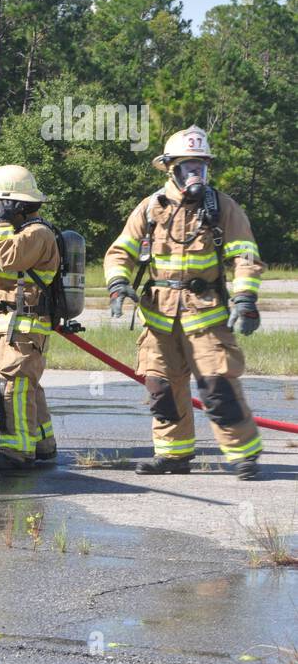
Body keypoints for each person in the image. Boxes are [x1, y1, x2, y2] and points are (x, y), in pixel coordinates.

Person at [104, 126, 265, 479]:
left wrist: (246, 298)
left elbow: (245, 255)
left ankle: (244, 455)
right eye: (187, 168)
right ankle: (173, 455)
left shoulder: (223, 207)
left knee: (217, 387)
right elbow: (121, 251)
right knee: (161, 388)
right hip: (159, 317)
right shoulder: (150, 208)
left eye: (201, 167)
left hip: (205, 314)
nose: (196, 175)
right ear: (170, 170)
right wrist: (118, 285)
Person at [0, 166, 61, 471]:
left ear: (14, 204)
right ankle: (43, 444)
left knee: (14, 389)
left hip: (25, 328)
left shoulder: (37, 234)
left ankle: (18, 453)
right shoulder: (13, 234)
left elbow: (7, 258)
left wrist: (1, 222)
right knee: (27, 387)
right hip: (5, 328)